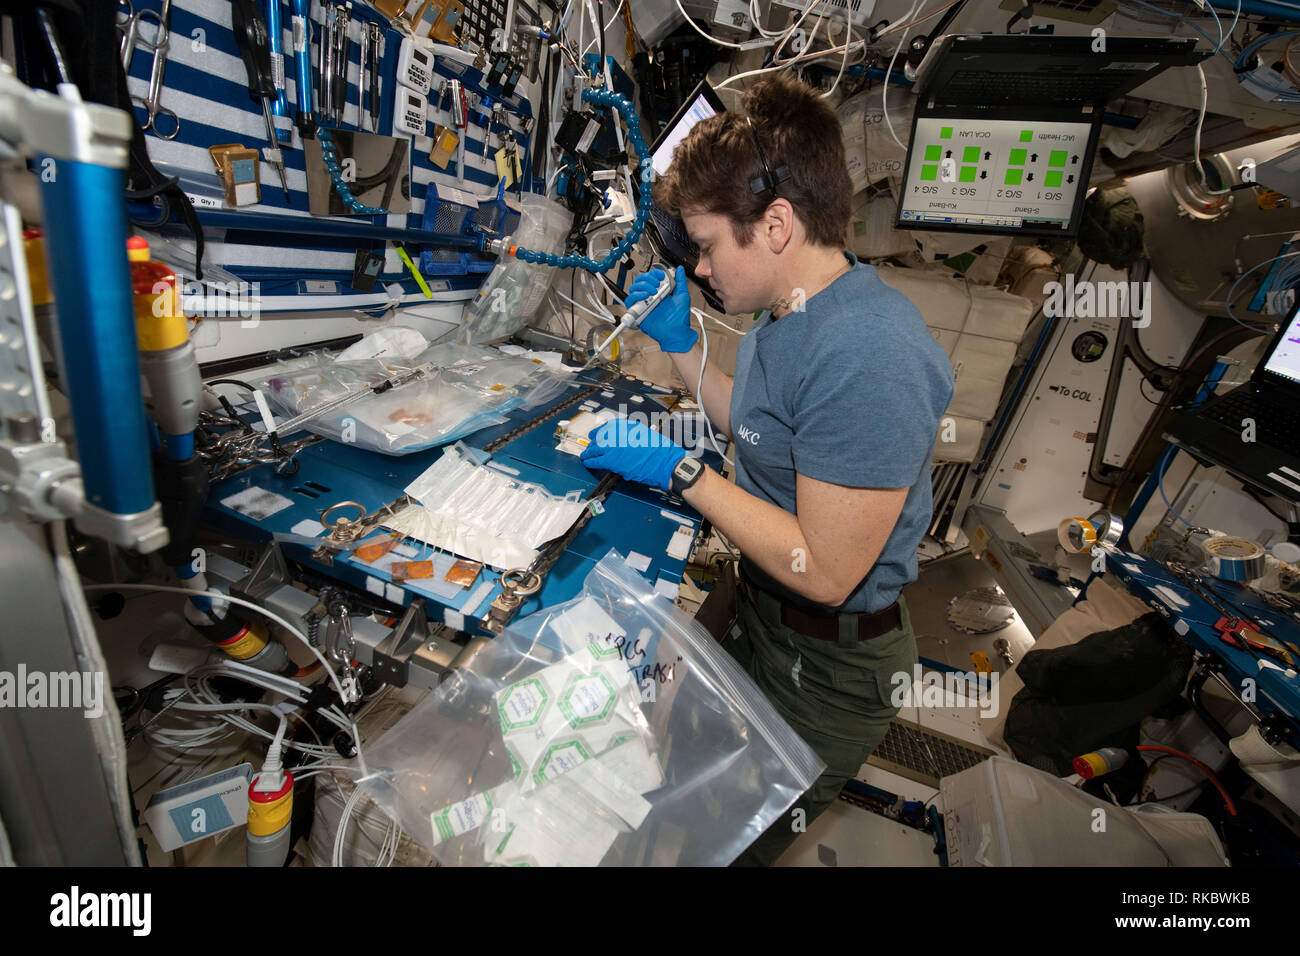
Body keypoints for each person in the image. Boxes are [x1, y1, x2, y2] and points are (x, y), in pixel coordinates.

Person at [579, 74, 954, 866]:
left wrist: (685, 475)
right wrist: (684, 346)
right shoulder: (792, 314)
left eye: (709, 246)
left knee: (729, 846)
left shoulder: (869, 352)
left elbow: (823, 570)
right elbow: (754, 429)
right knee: (673, 780)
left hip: (829, 662)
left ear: (776, 224)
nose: (703, 270)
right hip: (758, 610)